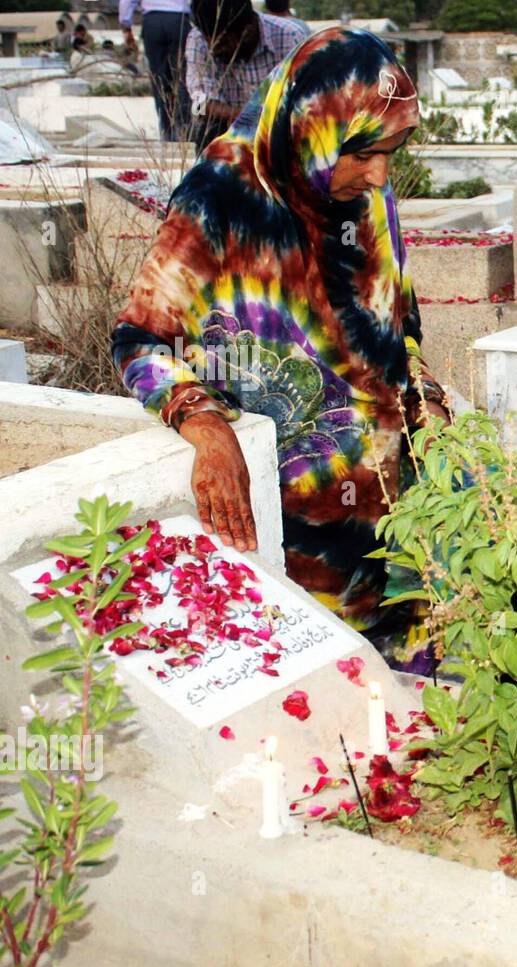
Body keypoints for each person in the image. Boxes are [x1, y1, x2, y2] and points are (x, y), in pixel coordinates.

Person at [111, 27, 448, 672]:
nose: (380, 173)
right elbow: (138, 338)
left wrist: (424, 398)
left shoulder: (364, 195)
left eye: (393, 151)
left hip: (385, 520)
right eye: (363, 153)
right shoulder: (221, 200)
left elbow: (399, 326)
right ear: (313, 129)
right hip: (294, 534)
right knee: (318, 700)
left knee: (404, 708)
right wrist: (205, 426)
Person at [185, 0, 308, 150]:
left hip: (279, 126)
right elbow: (198, 104)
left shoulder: (289, 36)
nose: (213, 50)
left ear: (247, 31)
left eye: (223, 43)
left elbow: (306, 99)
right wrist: (238, 116)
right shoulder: (198, 40)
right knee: (207, 128)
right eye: (209, 41)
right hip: (229, 130)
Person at [120, 0, 192, 142]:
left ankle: (167, 130)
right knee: (184, 79)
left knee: (159, 80)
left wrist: (126, 26)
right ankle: (185, 128)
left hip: (152, 23)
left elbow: (126, 2)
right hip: (179, 20)